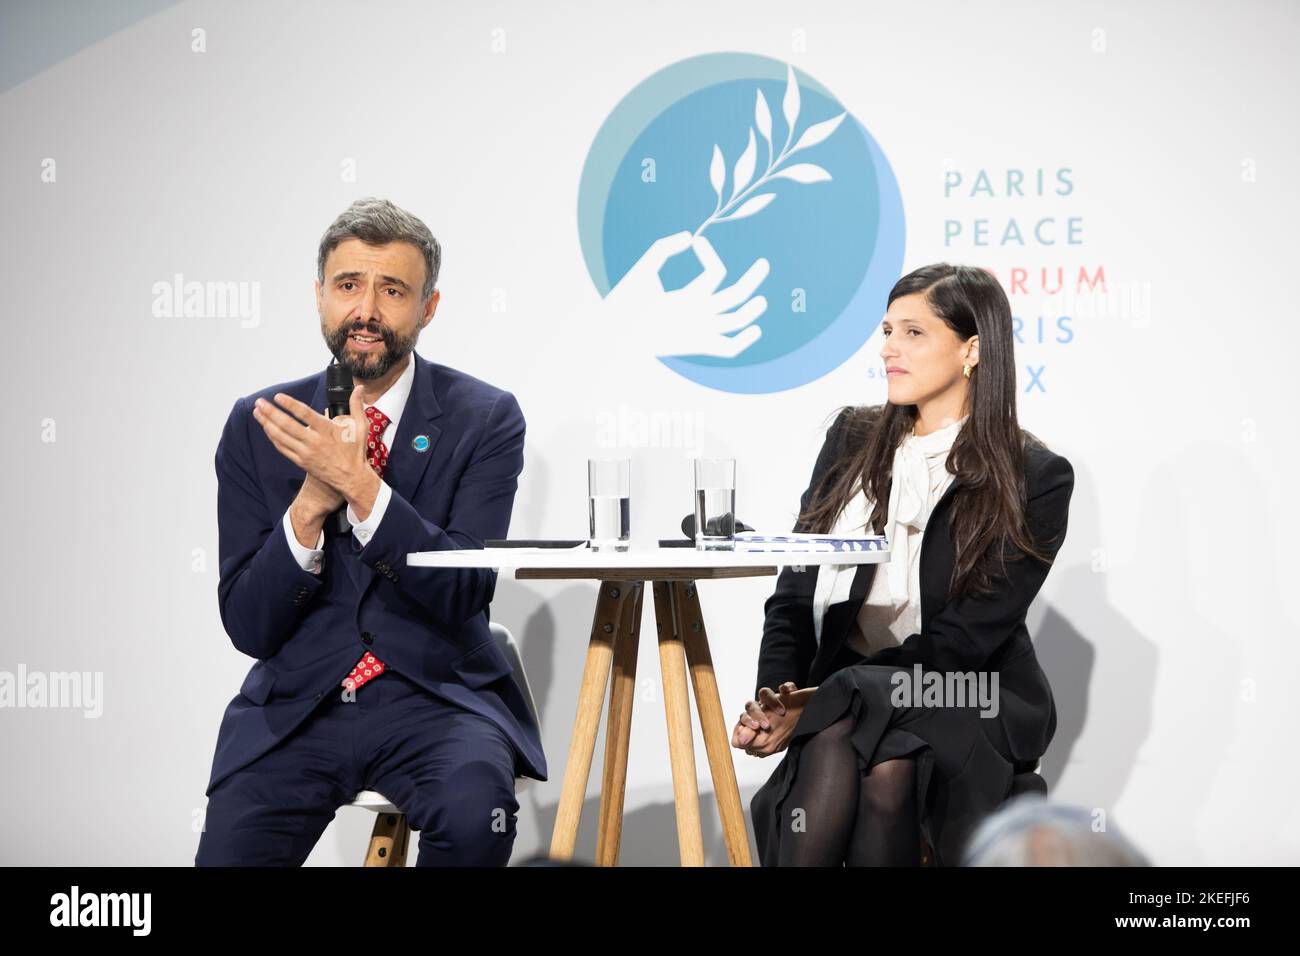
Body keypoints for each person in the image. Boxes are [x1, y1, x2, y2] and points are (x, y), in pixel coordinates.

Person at [196, 197, 546, 866]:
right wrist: (311, 503)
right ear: (320, 297)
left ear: (428, 308)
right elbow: (248, 626)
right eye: (349, 286)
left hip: (437, 699)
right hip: (298, 705)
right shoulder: (260, 422)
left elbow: (464, 590)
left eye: (393, 290)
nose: (367, 310)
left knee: (480, 820)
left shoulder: (486, 418)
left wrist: (361, 487)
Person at [734, 263, 1074, 866]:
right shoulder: (850, 438)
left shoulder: (1035, 476)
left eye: (913, 333)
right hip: (850, 695)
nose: (889, 348)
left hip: (967, 691)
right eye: (887, 331)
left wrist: (819, 700)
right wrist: (778, 696)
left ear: (972, 350)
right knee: (876, 757)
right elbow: (795, 589)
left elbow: (962, 643)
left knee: (866, 740)